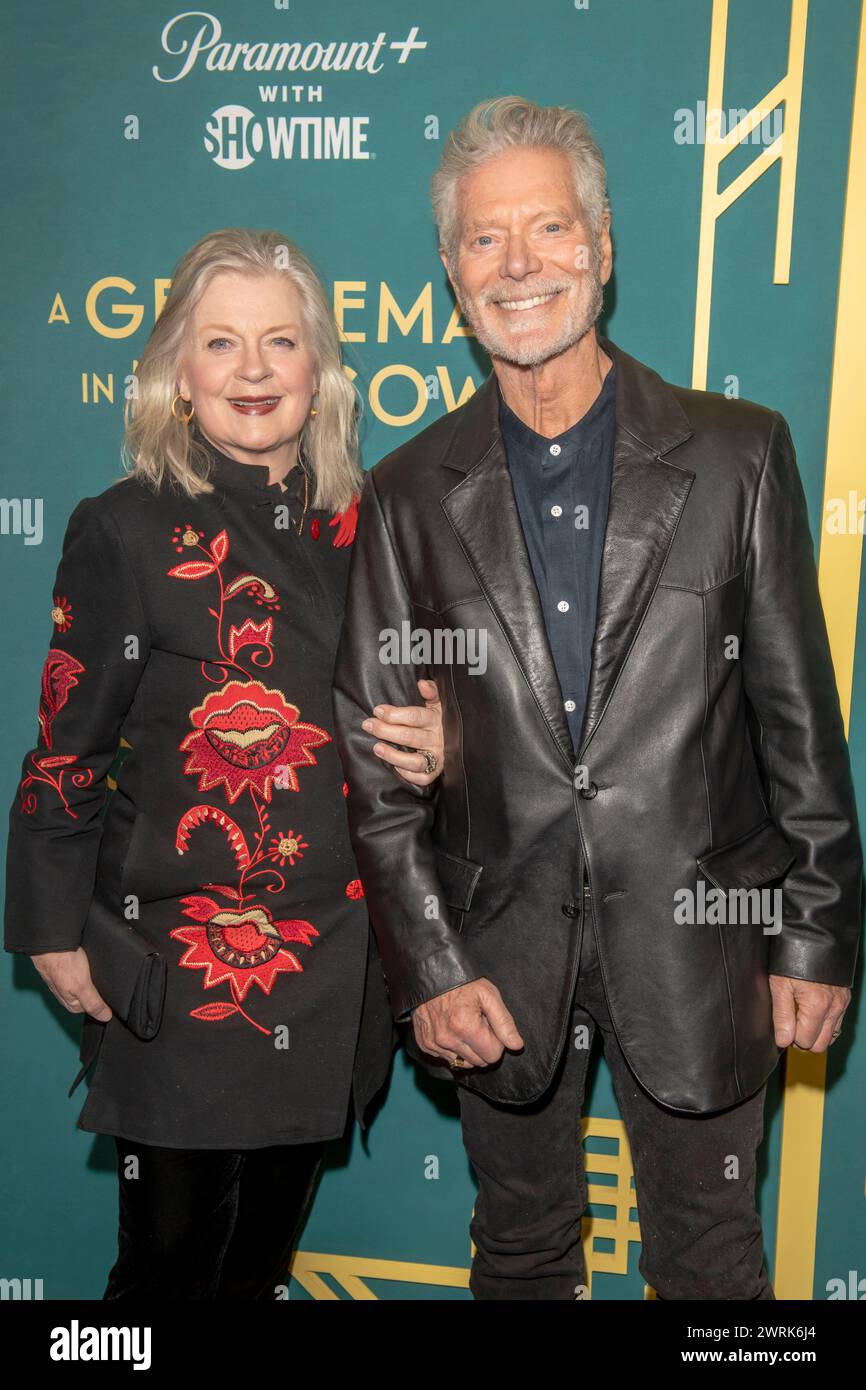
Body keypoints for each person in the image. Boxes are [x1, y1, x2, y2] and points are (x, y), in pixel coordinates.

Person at [332, 97, 862, 1299]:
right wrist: (428, 962)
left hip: (705, 942)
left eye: (548, 228)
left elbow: (797, 725)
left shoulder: (740, 454)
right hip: (494, 955)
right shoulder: (408, 491)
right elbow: (375, 763)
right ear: (451, 276)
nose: (517, 265)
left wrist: (816, 933)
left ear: (602, 248)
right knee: (518, 1256)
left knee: (714, 1268)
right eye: (483, 240)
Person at [4, 228, 445, 1301]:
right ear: (175, 371)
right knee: (159, 1278)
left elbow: (434, 702)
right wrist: (51, 926)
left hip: (337, 961)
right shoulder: (125, 527)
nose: (252, 370)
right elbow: (69, 743)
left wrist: (447, 746)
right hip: (188, 971)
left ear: (318, 371)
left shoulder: (374, 525)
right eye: (221, 342)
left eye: (280, 342)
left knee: (254, 1269)